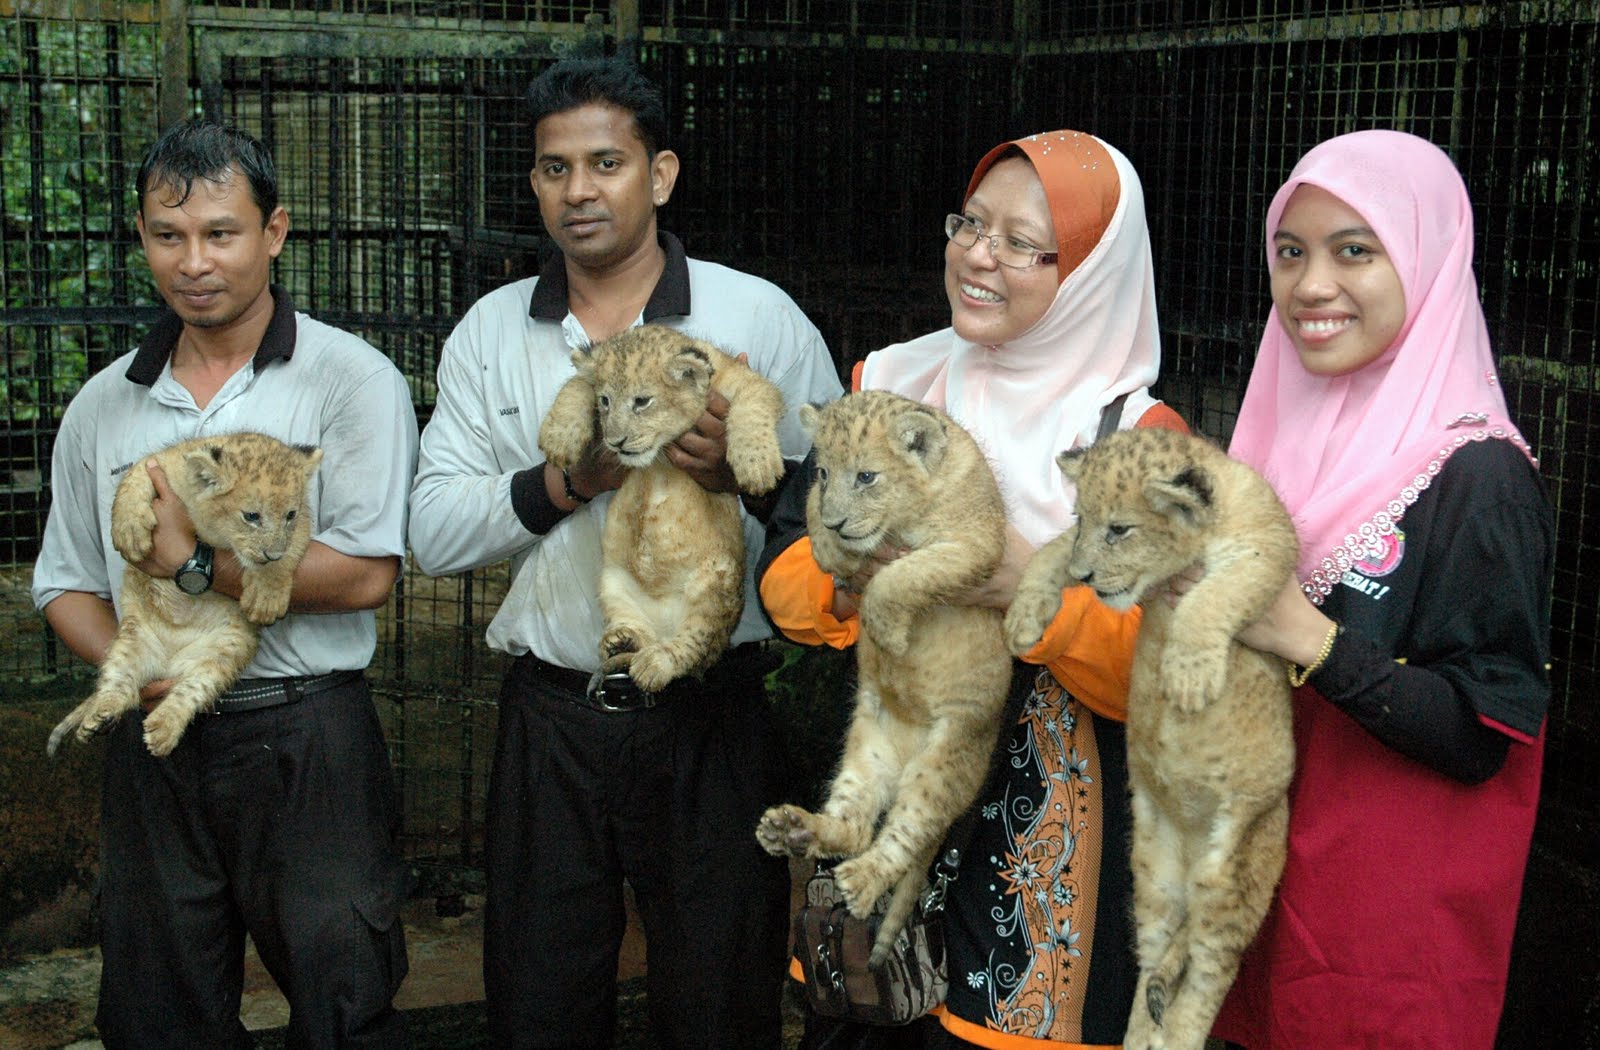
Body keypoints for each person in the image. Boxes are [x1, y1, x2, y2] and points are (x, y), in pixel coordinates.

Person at [406, 57, 842, 1048]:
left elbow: (840, 520)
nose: (580, 190)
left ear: (661, 174)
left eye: (607, 163)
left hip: (712, 715)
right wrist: (571, 481)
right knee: (540, 1003)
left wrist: (744, 479)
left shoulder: (754, 317)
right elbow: (432, 532)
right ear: (534, 184)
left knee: (720, 1006)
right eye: (555, 168)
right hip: (554, 719)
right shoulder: (491, 334)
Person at [758, 129, 1187, 1049]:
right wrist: (856, 581)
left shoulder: (1137, 439)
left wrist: (1021, 587)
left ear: (1092, 273)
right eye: (970, 225)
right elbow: (787, 584)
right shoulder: (891, 385)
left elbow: (1159, 672)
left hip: (1044, 839)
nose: (980, 256)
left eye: (1024, 244)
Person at [31, 119, 418, 1048]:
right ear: (141, 237)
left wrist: (195, 564)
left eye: (220, 233)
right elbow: (65, 582)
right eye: (169, 236)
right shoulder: (104, 403)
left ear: (273, 232)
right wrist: (135, 672)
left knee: (342, 999)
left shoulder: (348, 380)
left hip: (304, 732)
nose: (194, 262)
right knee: (158, 1012)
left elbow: (365, 573)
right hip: (158, 744)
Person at [1205, 130, 1553, 1049]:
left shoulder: (1480, 476)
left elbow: (1484, 736)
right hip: (1259, 905)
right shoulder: (1273, 440)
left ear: (1429, 261)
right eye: (1291, 252)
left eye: (1355, 250)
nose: (1311, 285)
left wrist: (1308, 639)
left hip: (1380, 949)